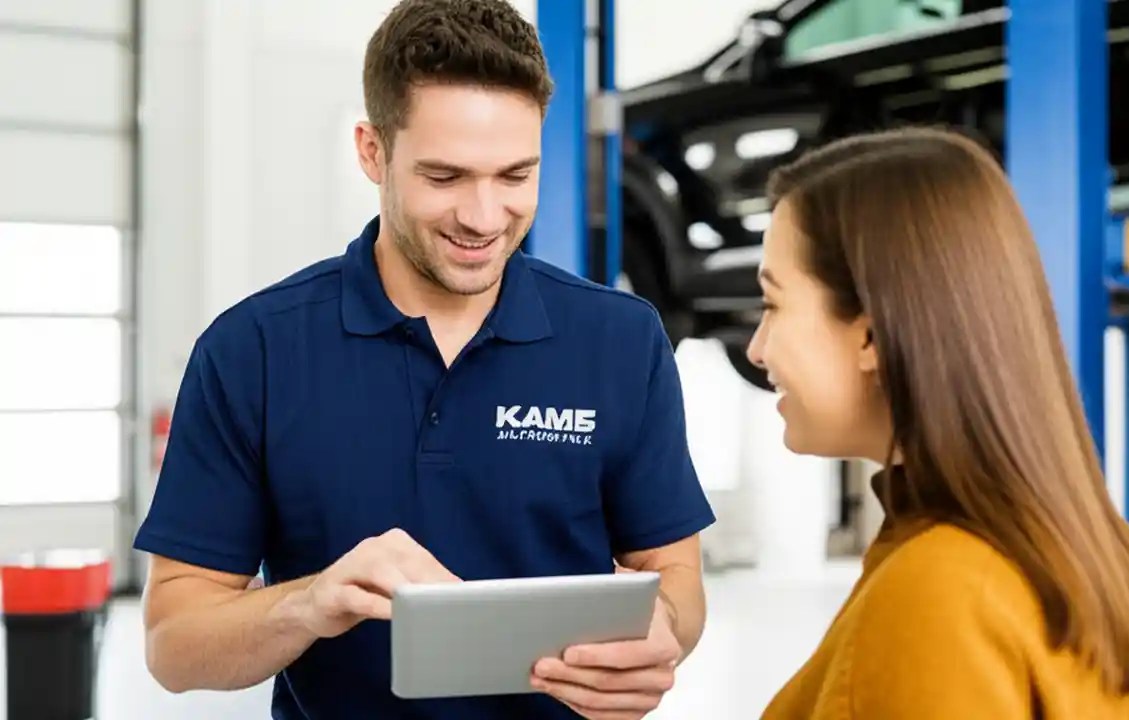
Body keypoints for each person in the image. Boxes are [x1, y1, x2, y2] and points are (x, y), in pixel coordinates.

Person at [133, 1, 715, 718]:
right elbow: (173, 643)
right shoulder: (252, 350)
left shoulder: (620, 340)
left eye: (514, 176)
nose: (483, 216)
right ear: (372, 151)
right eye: (445, 177)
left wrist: (662, 638)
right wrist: (311, 603)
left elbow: (675, 577)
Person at [747, 127, 1129, 718]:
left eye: (772, 305)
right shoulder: (1088, 551)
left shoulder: (940, 591)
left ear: (871, 334)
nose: (756, 349)